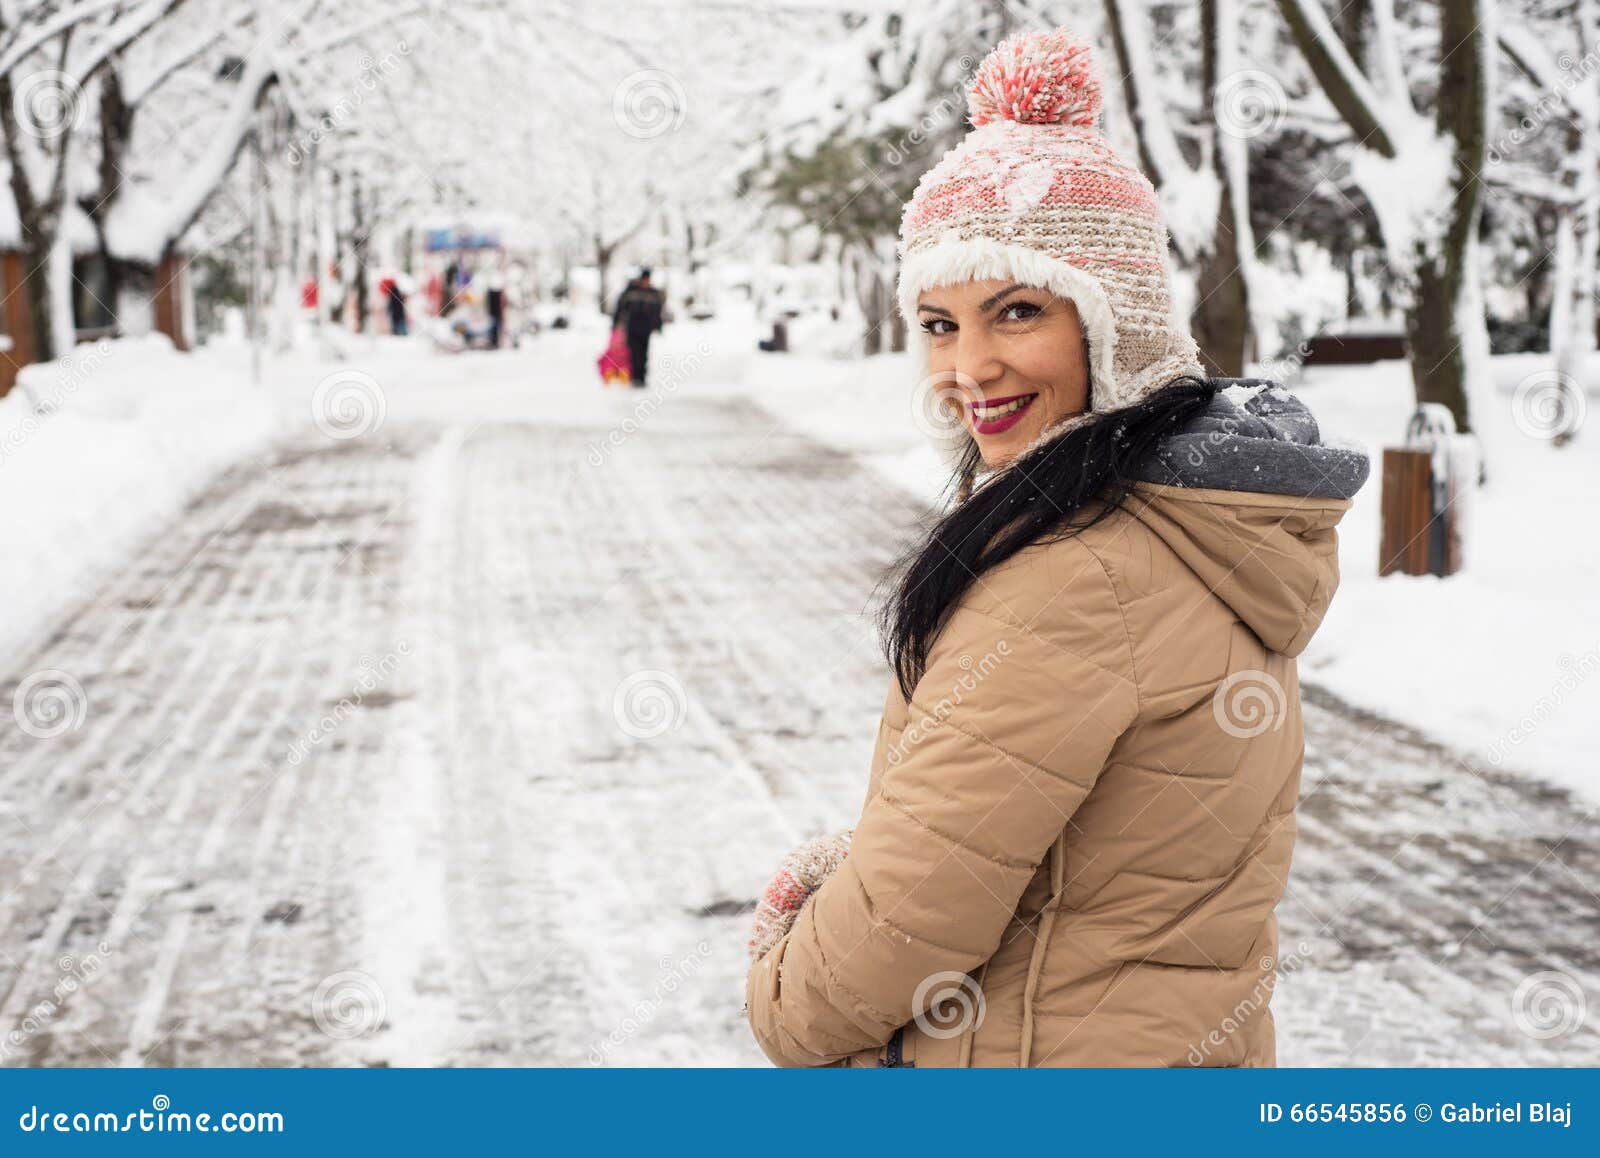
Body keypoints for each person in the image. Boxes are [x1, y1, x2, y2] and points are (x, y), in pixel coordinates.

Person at [744, 27, 1370, 1069]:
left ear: (1116, 322)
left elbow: (899, 931)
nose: (970, 366)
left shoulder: (1077, 577)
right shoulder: (1194, 521)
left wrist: (782, 981)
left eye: (1017, 311)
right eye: (939, 324)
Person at [611, 268, 664, 387]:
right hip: (632, 328)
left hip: (646, 329)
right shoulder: (631, 291)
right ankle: (635, 377)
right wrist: (616, 323)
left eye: (648, 279)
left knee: (644, 354)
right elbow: (620, 308)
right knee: (634, 353)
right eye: (644, 279)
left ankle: (642, 377)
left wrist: (658, 325)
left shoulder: (653, 293)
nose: (646, 282)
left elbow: (657, 311)